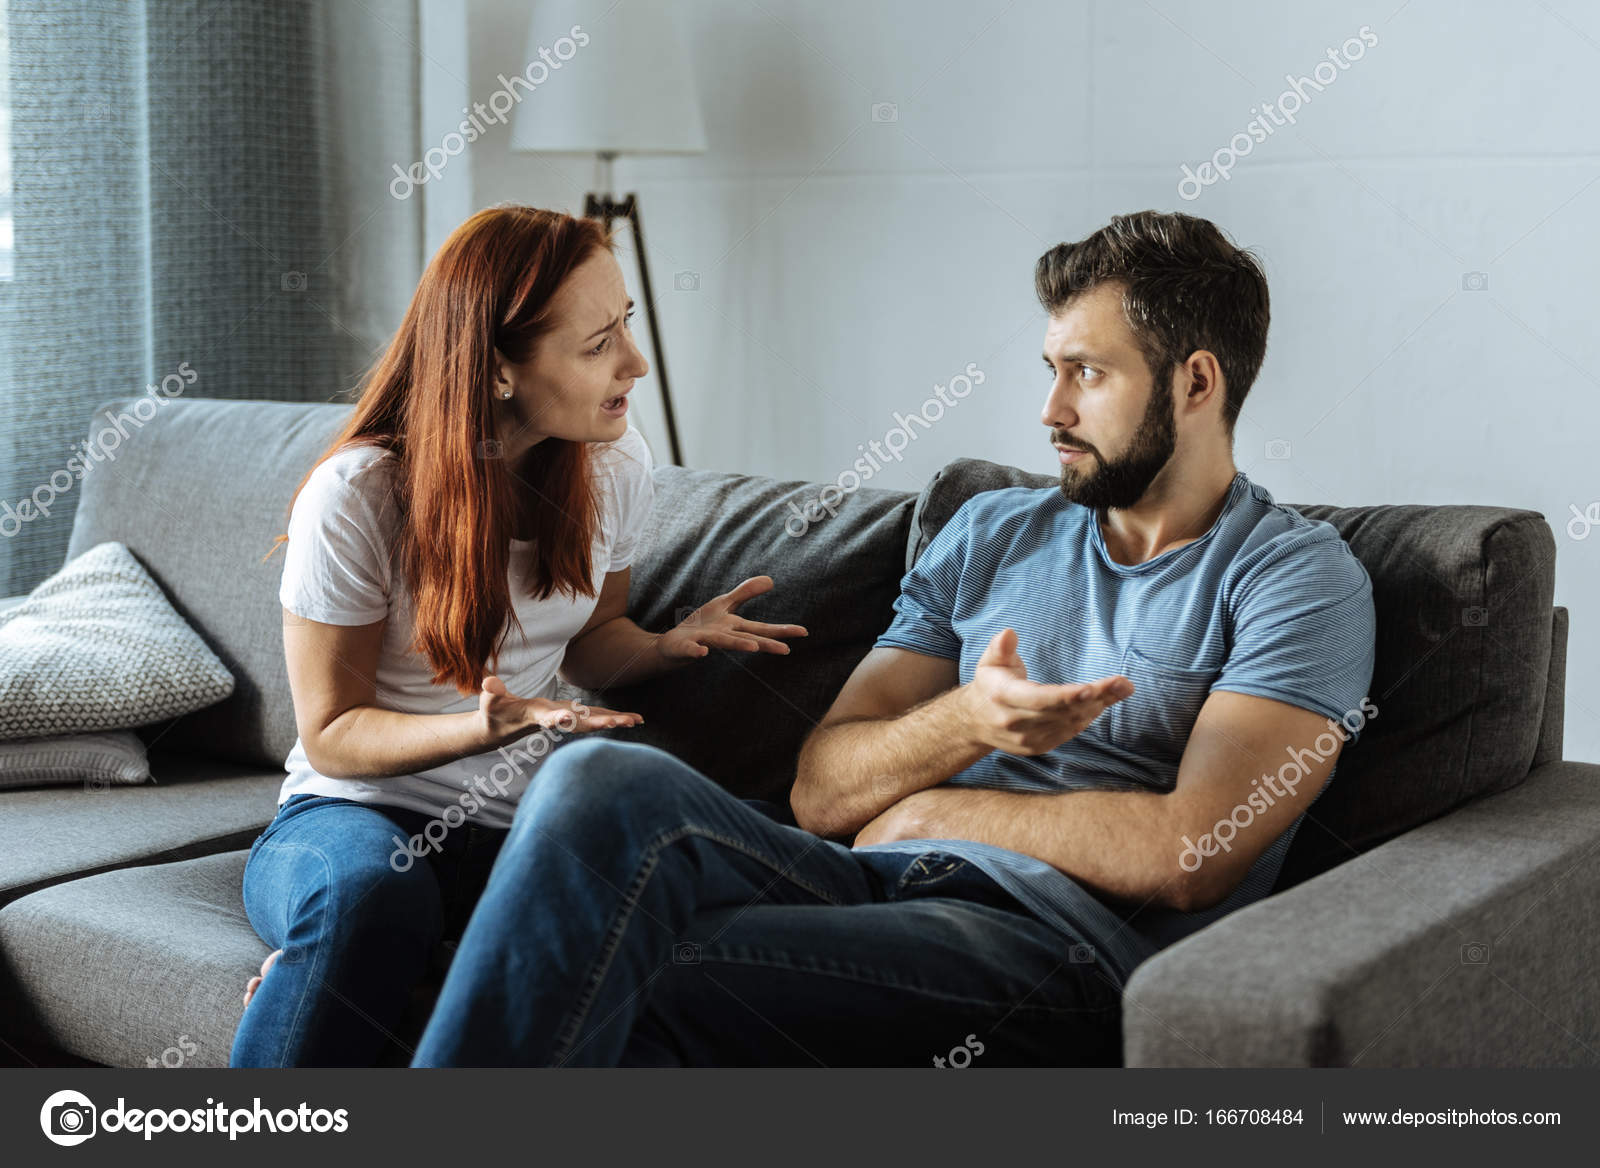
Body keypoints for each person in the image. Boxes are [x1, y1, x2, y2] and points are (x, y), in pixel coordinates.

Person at [407, 209, 1378, 1067]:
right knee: (596, 779)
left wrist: (933, 812)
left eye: (1087, 373)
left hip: (1051, 946)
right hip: (867, 880)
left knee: (619, 964)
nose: (1050, 410)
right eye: (1051, 371)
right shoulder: (994, 529)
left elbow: (1194, 850)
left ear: (1196, 381)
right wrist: (968, 722)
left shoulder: (1293, 579)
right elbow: (823, 789)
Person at [228, 205, 808, 1068]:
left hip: (513, 821)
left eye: (627, 325)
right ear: (499, 368)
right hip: (349, 813)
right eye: (598, 344)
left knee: (704, 883)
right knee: (370, 899)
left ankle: (331, 977)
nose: (636, 363)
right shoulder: (359, 495)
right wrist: (480, 728)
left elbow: (593, 639)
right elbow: (334, 734)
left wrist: (663, 645)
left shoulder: (614, 464)